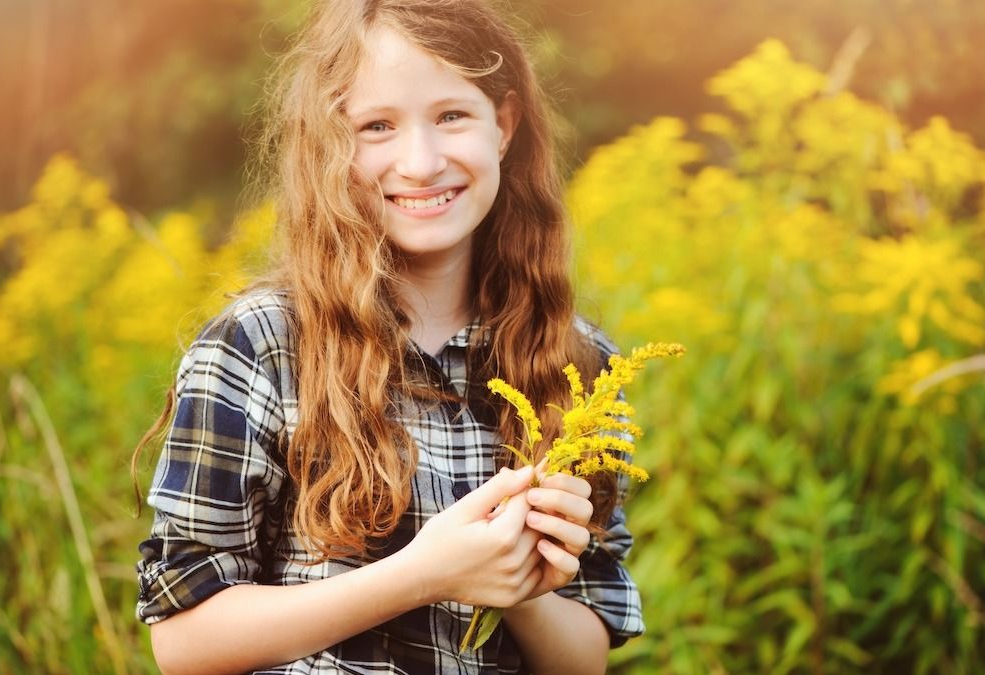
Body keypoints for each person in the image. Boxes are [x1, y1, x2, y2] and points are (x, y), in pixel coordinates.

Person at [133, 0, 643, 672]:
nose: (422, 162)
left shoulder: (578, 365)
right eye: (378, 126)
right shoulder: (258, 346)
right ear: (330, 144)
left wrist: (514, 574)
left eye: (452, 115)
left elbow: (582, 661)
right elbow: (183, 642)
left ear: (505, 125)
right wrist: (423, 573)